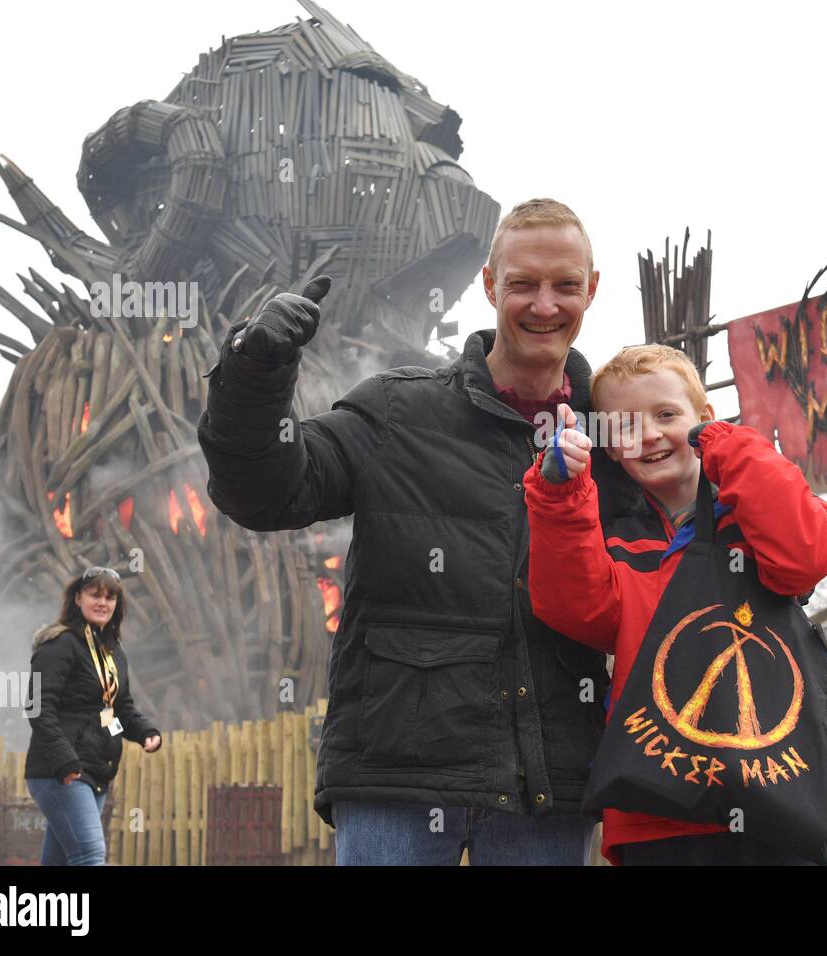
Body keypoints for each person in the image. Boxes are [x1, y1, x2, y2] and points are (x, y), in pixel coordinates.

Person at [197, 198, 611, 865]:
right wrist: (254, 370)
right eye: (523, 284)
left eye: (565, 285)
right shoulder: (398, 410)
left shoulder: (615, 435)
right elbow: (266, 491)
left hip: (548, 785)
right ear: (488, 285)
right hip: (397, 777)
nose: (544, 304)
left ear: (592, 289)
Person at [523, 344, 827, 865]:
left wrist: (730, 446)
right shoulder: (618, 543)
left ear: (704, 419)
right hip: (661, 802)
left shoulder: (752, 509)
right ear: (610, 449)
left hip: (779, 789)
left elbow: (807, 554)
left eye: (667, 415)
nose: (648, 435)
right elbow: (577, 610)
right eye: (624, 427)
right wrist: (560, 495)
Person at [24, 567, 162, 865]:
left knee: (62, 861)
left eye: (110, 597)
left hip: (97, 770)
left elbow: (121, 707)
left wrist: (145, 732)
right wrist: (64, 761)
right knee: (89, 855)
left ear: (117, 605)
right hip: (61, 772)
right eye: (95, 595)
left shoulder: (113, 653)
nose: (103, 602)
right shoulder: (59, 644)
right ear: (77, 599)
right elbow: (37, 705)